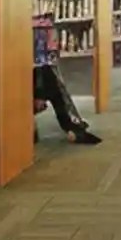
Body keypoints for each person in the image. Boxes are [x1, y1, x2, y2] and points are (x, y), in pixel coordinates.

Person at [32, 14, 101, 144]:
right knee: (54, 86)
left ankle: (73, 128)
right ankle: (73, 128)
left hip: (39, 77)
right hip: (35, 79)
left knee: (54, 86)